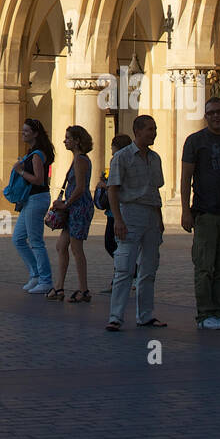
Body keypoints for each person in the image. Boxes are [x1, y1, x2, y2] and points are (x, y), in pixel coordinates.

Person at [180, 97, 220, 330]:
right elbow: (186, 178)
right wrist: (185, 211)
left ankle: (219, 312)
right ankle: (204, 314)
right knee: (204, 265)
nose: (216, 116)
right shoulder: (195, 141)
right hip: (205, 213)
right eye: (211, 113)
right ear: (205, 116)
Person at [105, 114, 167, 331]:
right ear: (137, 131)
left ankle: (146, 315)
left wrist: (159, 219)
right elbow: (113, 189)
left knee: (149, 267)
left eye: (155, 128)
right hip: (130, 213)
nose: (154, 133)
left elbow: (155, 190)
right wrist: (118, 219)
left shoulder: (155, 158)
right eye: (150, 129)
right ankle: (116, 316)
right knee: (124, 267)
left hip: (150, 213)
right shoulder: (122, 157)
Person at [48, 125, 95, 302]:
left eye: (68, 138)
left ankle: (84, 290)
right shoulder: (77, 159)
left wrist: (65, 204)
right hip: (72, 208)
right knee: (61, 246)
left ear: (77, 141)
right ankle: (59, 287)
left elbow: (81, 188)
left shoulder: (81, 160)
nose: (64, 141)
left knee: (76, 248)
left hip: (79, 208)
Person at [11, 117, 55, 294]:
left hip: (37, 198)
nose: (23, 133)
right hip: (31, 199)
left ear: (35, 133)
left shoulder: (37, 154)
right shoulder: (33, 152)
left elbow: (38, 179)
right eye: (23, 130)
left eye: (26, 131)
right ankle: (35, 274)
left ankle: (46, 280)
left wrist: (20, 171)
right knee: (18, 239)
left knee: (36, 241)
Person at [94, 133, 132, 291]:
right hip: (115, 211)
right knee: (116, 246)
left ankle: (130, 273)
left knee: (112, 245)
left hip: (116, 212)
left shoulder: (119, 159)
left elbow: (117, 185)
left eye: (112, 147)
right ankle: (119, 278)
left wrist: (105, 186)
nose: (111, 151)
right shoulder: (127, 160)